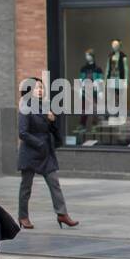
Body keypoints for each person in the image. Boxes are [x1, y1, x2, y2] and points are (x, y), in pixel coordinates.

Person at [17, 76, 78, 229]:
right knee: (26, 187)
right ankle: (23, 216)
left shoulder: (44, 106)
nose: (40, 90)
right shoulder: (25, 107)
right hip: (31, 152)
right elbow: (22, 133)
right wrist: (39, 143)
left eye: (41, 88)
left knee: (54, 183)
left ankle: (62, 214)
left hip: (46, 153)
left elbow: (50, 129)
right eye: (37, 88)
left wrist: (51, 120)